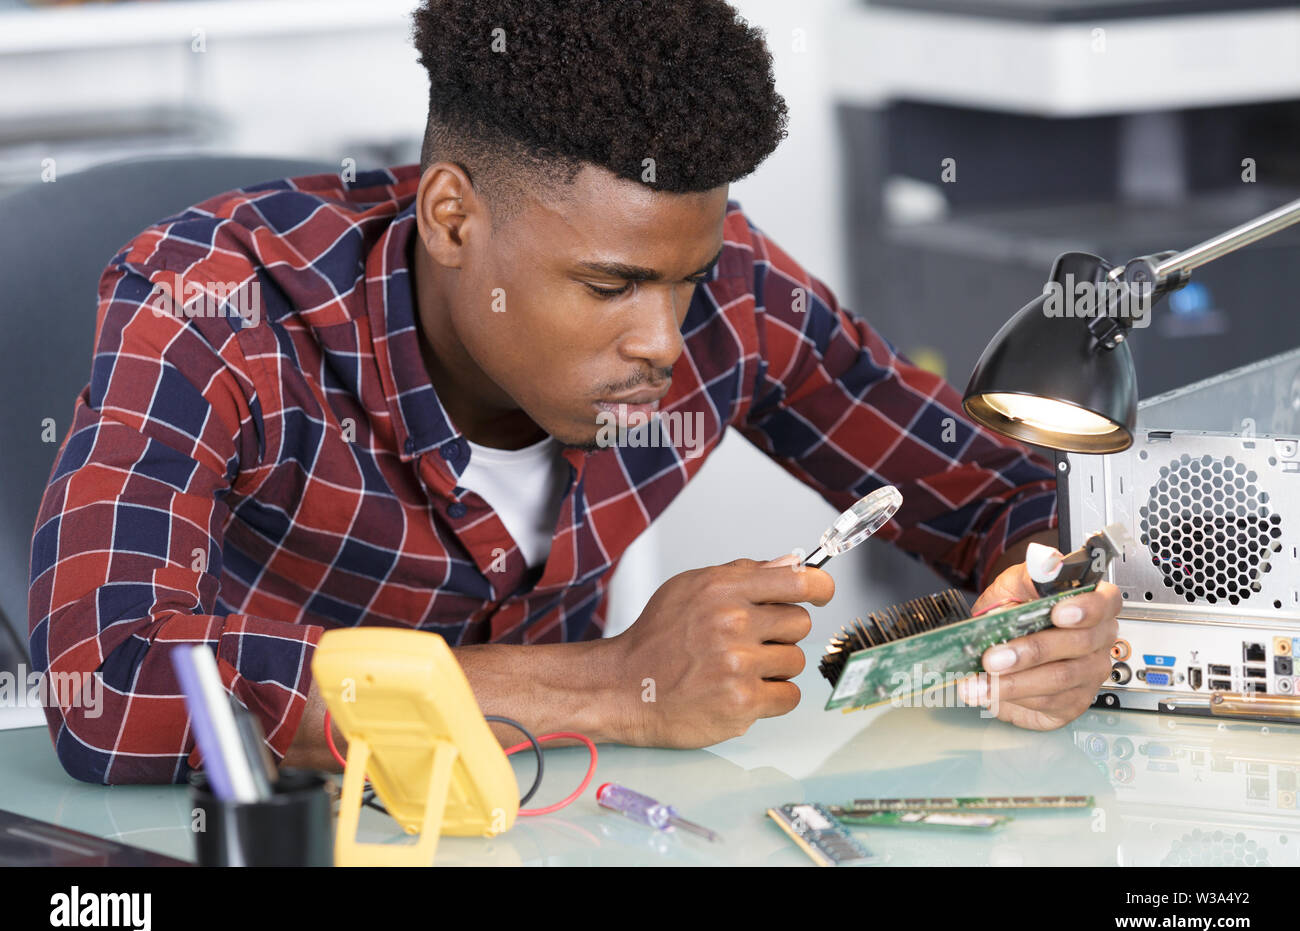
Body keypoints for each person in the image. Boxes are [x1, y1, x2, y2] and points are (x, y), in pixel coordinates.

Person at [28, 0, 1119, 784]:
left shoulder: (729, 289)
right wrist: (614, 682)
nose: (662, 340)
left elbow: (998, 494)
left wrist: (1048, 603)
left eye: (685, 278)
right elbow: (113, 679)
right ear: (452, 218)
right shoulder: (218, 301)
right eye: (610, 285)